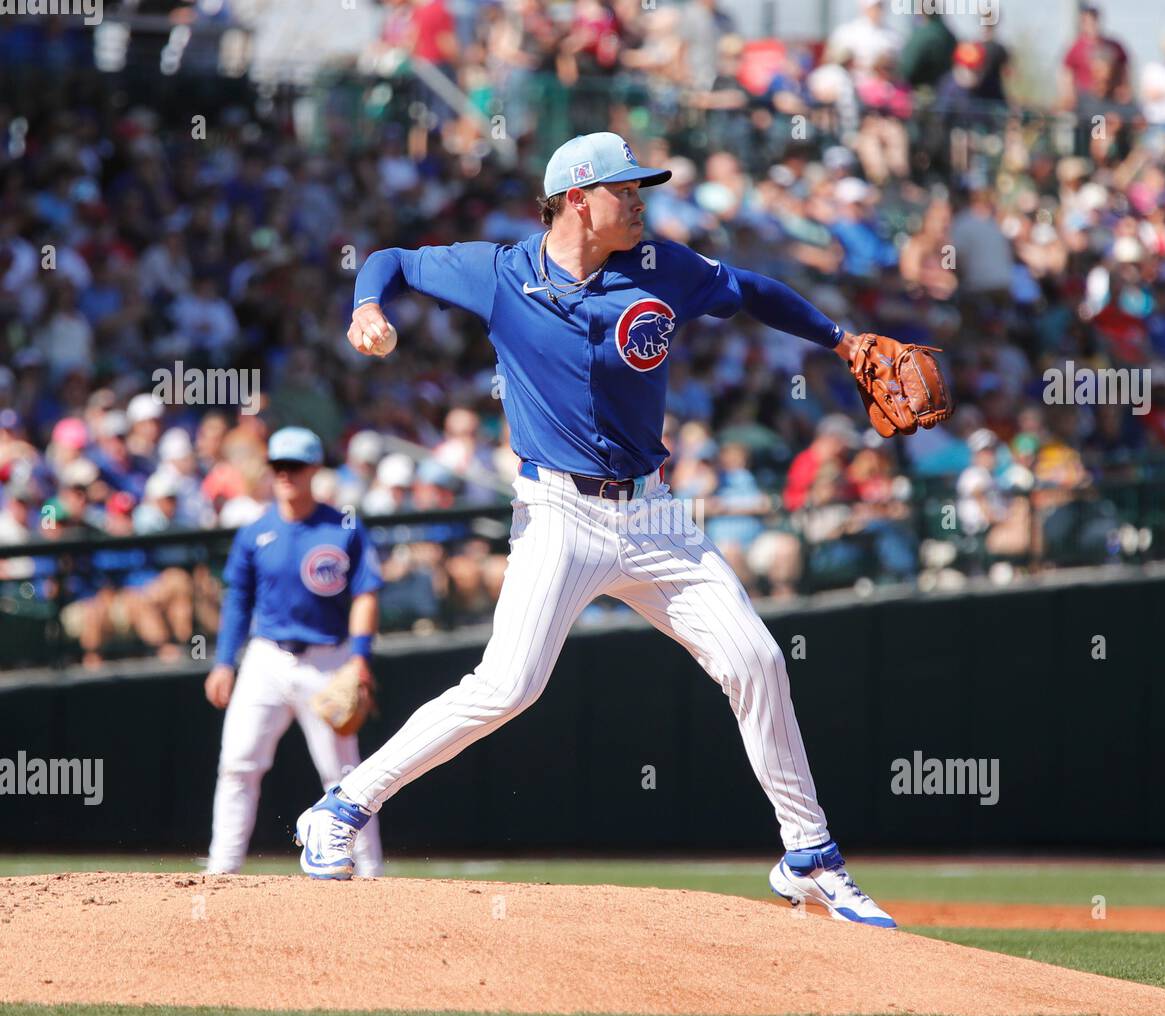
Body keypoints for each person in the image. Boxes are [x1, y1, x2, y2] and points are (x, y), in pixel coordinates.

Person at [295, 132, 899, 927]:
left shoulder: (664, 269)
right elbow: (394, 261)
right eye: (627, 188)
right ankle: (339, 808)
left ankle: (809, 857)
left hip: (655, 514)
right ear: (577, 199)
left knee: (755, 659)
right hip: (558, 512)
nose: (641, 199)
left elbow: (748, 289)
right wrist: (366, 305)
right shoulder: (501, 272)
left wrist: (841, 340)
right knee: (508, 686)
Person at [204, 427, 384, 876]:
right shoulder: (255, 531)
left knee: (346, 778)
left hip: (328, 659)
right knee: (238, 764)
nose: (285, 475)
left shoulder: (342, 525)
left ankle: (368, 873)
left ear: (313, 470)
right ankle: (222, 870)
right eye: (278, 466)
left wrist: (360, 656)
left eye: (295, 467)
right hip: (266, 659)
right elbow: (237, 601)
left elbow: (366, 593)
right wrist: (224, 661)